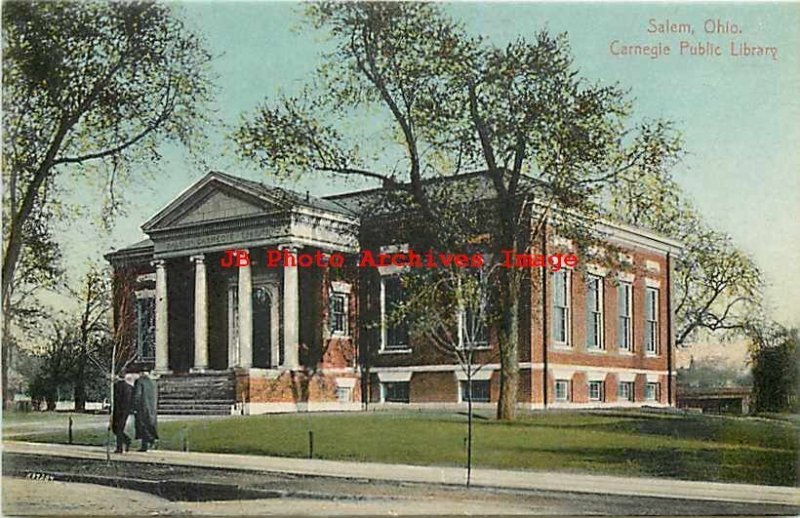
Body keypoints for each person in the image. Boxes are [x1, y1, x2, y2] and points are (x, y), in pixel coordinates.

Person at [133, 370, 158, 452]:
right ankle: (150, 442)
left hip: (142, 407)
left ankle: (146, 444)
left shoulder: (140, 381)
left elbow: (137, 395)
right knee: (149, 425)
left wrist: (134, 406)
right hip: (152, 408)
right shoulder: (153, 382)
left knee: (142, 426)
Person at [111, 372, 133, 453]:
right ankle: (126, 440)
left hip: (118, 410)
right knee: (119, 428)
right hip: (125, 410)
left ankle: (120, 447)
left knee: (117, 429)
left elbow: (115, 399)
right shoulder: (129, 387)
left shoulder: (116, 386)